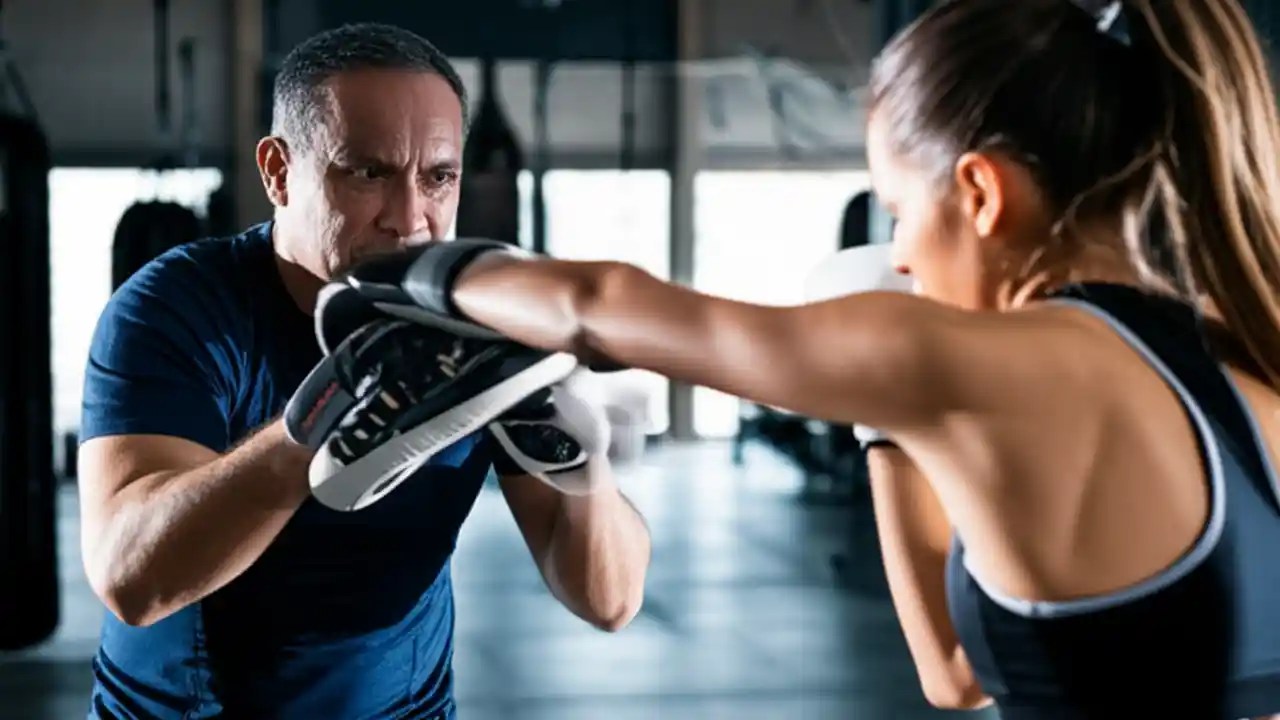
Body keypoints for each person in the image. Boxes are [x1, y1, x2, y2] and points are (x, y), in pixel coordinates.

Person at [375, 0, 1280, 717]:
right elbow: (956, 675)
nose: (904, 257)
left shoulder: (984, 361)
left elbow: (598, 305)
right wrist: (886, 417)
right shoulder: (1252, 361)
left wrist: (409, 277)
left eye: (897, 209)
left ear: (979, 192)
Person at [76, 23, 651, 720]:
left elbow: (610, 602)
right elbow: (132, 580)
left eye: (438, 177)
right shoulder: (178, 310)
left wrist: (582, 469)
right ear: (279, 172)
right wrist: (312, 437)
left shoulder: (481, 320)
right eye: (368, 173)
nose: (410, 220)